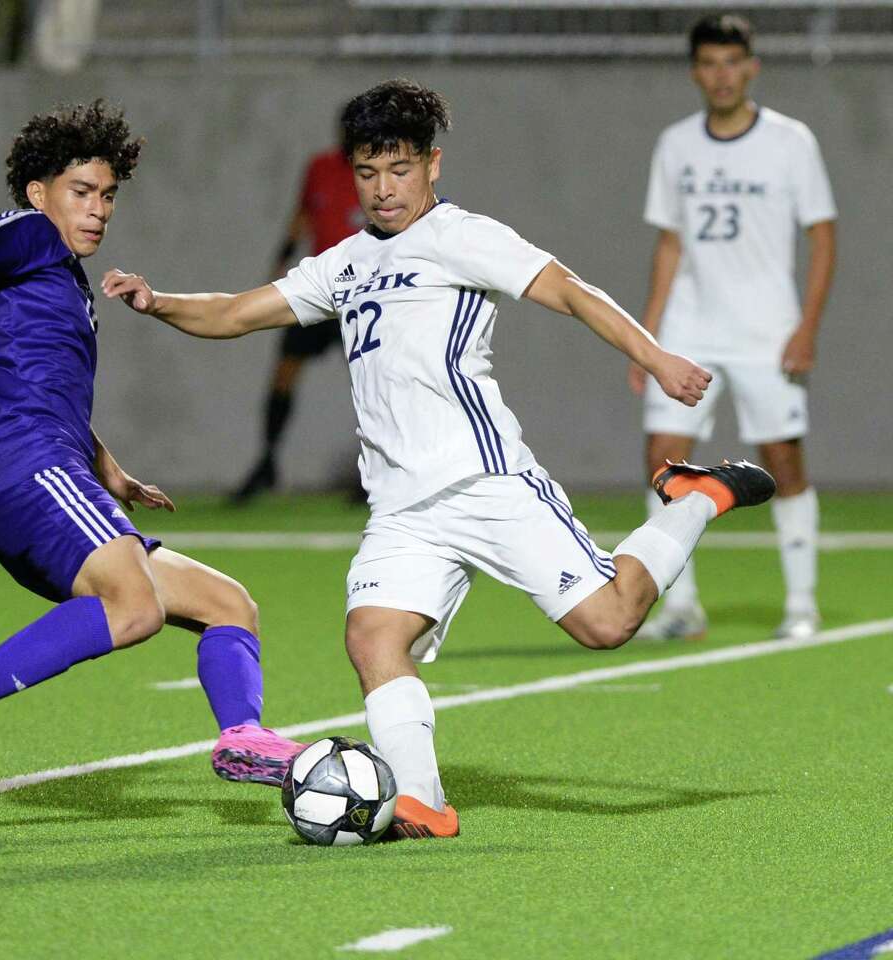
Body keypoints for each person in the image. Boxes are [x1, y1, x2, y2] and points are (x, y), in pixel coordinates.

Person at [102, 79, 776, 839]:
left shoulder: (464, 236)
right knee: (373, 638)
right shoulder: (343, 262)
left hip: (486, 480)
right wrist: (159, 302)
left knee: (609, 622)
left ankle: (693, 498)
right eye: (367, 173)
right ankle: (421, 800)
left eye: (399, 170)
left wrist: (655, 358)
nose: (383, 190)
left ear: (432, 165)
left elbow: (573, 291)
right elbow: (233, 312)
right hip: (401, 509)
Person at [0, 101, 303, 785]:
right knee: (134, 609)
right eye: (82, 192)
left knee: (229, 604)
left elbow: (51, 394)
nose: (98, 209)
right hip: (31, 472)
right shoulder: (31, 235)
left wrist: (114, 473)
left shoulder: (64, 286)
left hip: (55, 471)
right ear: (41, 193)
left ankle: (243, 737)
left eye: (107, 196)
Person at [630, 14, 837, 642]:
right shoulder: (676, 144)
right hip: (692, 329)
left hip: (767, 331)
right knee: (663, 464)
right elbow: (670, 244)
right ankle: (680, 605)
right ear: (696, 72)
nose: (722, 75)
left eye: (732, 62)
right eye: (709, 64)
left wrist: (805, 328)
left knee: (782, 460)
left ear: (752, 66)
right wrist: (647, 339)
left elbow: (823, 237)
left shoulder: (790, 141)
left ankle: (801, 602)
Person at [231, 118, 367, 503]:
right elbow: (303, 215)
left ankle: (381, 473)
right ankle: (267, 461)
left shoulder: (373, 172)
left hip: (360, 295)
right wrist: (282, 259)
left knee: (373, 383)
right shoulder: (320, 167)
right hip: (319, 292)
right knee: (284, 374)